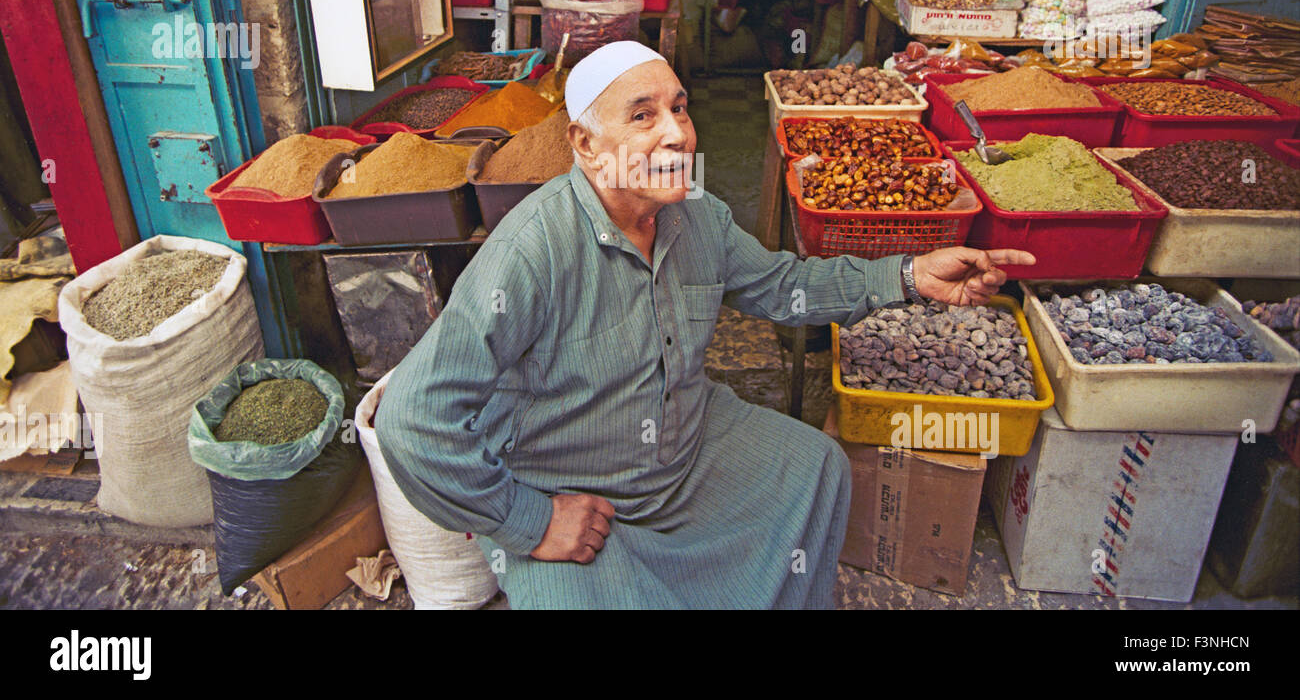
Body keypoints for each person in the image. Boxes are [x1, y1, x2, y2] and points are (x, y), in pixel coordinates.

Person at [376, 41, 1034, 609]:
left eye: (679, 107)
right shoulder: (532, 251)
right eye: (643, 115)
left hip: (686, 446)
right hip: (575, 490)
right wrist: (531, 519)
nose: (677, 133)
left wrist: (909, 275)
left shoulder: (695, 211)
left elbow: (784, 286)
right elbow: (412, 419)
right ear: (584, 143)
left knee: (816, 467)